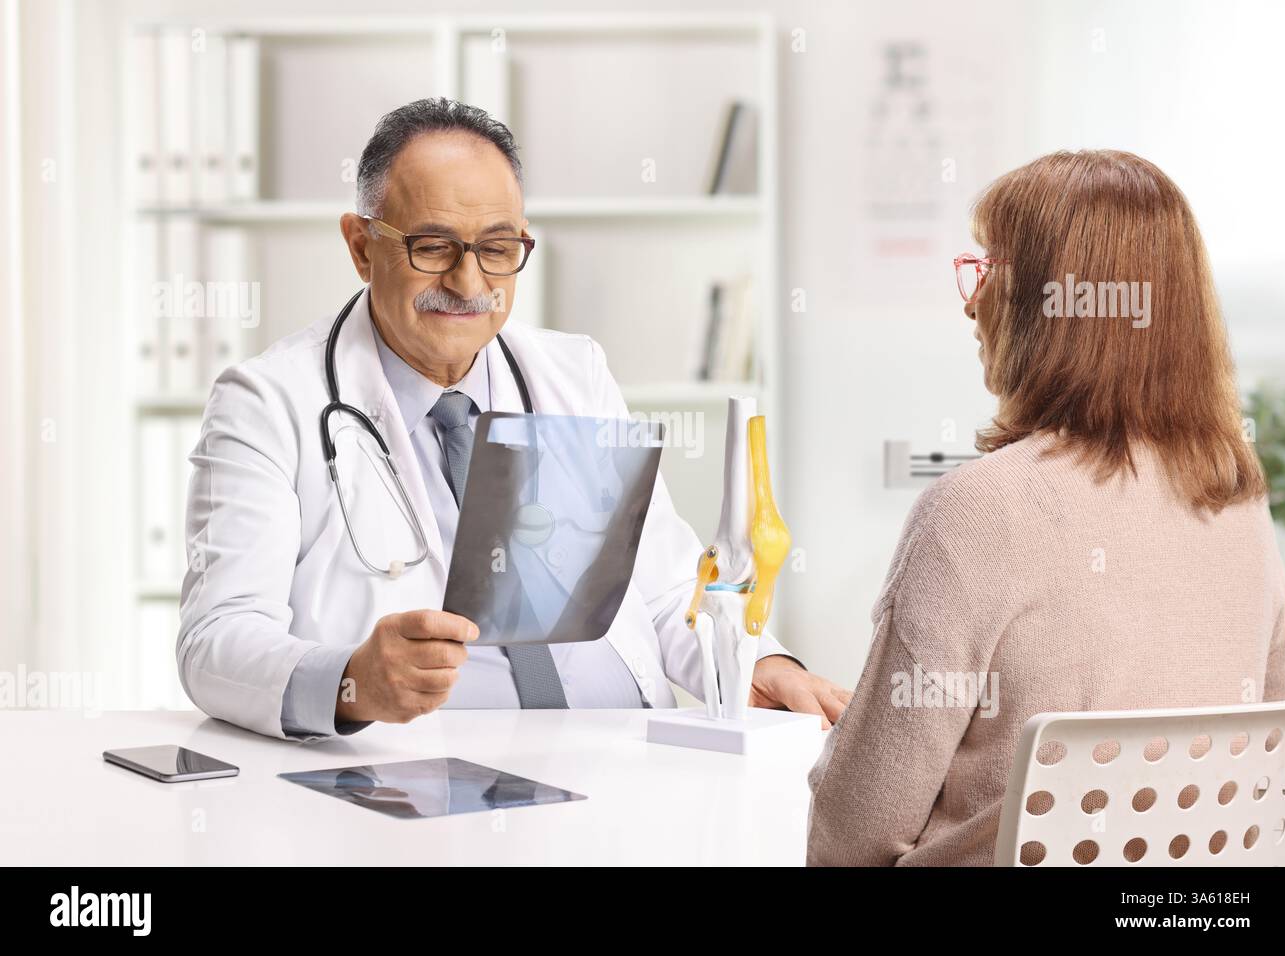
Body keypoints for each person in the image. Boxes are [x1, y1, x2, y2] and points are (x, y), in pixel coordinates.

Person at [177, 98, 849, 740]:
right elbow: (218, 640)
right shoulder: (267, 404)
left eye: (497, 248)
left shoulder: (574, 372)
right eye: (433, 247)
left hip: (624, 758)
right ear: (360, 246)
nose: (470, 285)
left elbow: (666, 585)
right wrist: (352, 682)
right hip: (424, 782)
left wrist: (761, 668)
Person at [806, 149, 1285, 866]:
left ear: (1053, 307)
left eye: (989, 269)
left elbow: (849, 837)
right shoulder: (1239, 501)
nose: (970, 301)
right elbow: (1276, 773)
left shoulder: (972, 513)